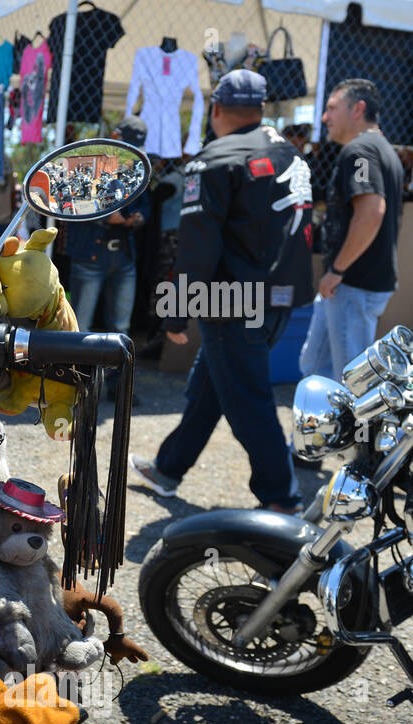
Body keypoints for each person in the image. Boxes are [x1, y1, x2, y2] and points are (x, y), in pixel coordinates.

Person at [129, 70, 313, 514]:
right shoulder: (291, 154)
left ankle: (282, 502)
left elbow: (196, 250)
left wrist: (175, 315)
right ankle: (169, 469)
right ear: (262, 108)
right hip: (281, 298)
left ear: (215, 109)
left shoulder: (213, 161)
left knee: (248, 401)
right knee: (209, 384)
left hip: (234, 303)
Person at [298, 79, 405, 381]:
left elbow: (371, 213)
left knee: (350, 383)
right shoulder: (379, 149)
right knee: (314, 368)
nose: (324, 117)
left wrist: (338, 269)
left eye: (332, 108)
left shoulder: (360, 151)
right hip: (348, 286)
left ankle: (354, 430)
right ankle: (317, 427)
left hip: (352, 285)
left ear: (358, 109)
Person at [64, 116, 150, 401]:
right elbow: (73, 204)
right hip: (92, 254)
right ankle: (78, 384)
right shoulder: (90, 165)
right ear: (114, 136)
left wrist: (138, 217)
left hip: (123, 254)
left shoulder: (137, 168)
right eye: (128, 145)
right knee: (81, 325)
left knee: (121, 326)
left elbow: (145, 204)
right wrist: (106, 214)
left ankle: (118, 386)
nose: (132, 152)